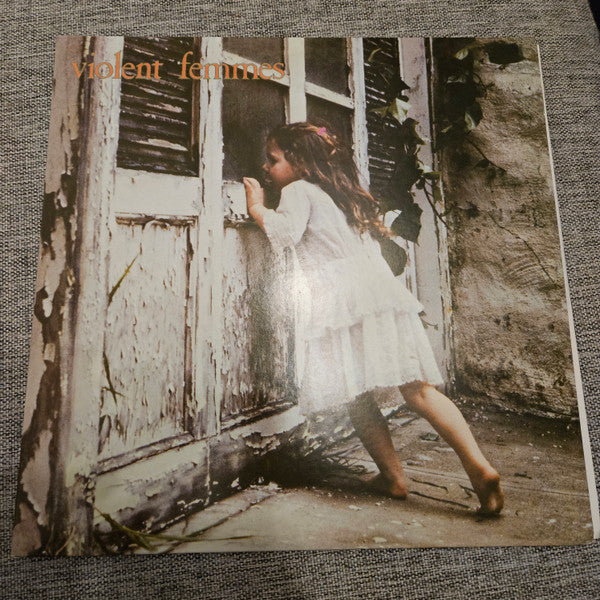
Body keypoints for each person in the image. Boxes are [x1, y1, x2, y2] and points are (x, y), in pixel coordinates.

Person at [243, 121, 504, 516]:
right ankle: (478, 466)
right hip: (379, 294)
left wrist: (258, 208)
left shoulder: (297, 191)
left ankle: (393, 477)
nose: (266, 167)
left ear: (298, 163)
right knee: (418, 391)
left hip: (344, 303)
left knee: (356, 394)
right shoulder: (340, 196)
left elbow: (285, 234)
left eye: (273, 159)